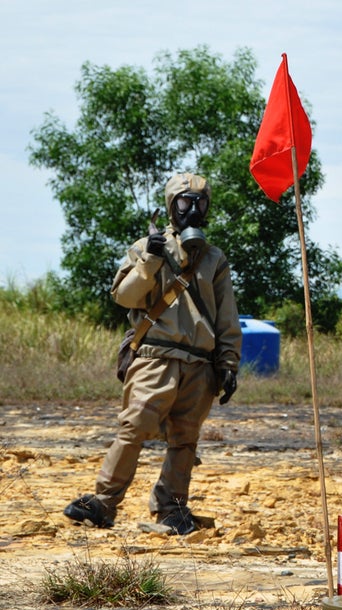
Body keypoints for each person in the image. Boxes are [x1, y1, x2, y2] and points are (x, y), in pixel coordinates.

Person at [63, 173, 241, 536]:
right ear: (170, 204)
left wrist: (228, 363)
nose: (192, 209)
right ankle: (102, 503)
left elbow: (227, 317)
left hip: (199, 363)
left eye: (200, 202)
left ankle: (172, 508)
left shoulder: (214, 258)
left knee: (185, 438)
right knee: (133, 428)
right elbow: (125, 298)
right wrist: (149, 261)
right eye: (184, 202)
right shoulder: (146, 247)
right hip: (154, 356)